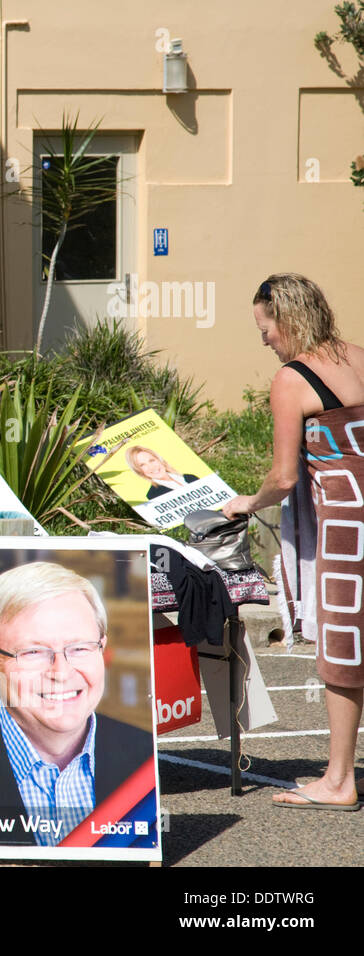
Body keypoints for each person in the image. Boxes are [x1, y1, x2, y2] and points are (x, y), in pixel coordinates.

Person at [223, 273, 364, 811]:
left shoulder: (292, 379)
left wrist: (244, 502)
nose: (264, 340)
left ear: (287, 320)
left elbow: (283, 478)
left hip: (345, 526)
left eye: (266, 327)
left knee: (342, 653)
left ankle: (338, 781)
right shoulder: (358, 355)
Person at [0, 562, 154, 846]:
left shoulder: (145, 761)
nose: (61, 672)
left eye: (80, 648)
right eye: (33, 652)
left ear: (102, 650)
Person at [124, 445, 198, 500]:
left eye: (152, 460)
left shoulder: (189, 477)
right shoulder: (154, 495)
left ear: (159, 459)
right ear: (139, 470)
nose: (151, 467)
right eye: (142, 465)